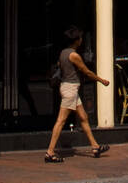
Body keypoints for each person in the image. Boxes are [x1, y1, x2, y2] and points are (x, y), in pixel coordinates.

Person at [45, 27, 110, 162]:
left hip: (69, 89)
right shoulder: (74, 55)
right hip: (70, 89)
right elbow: (86, 71)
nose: (81, 40)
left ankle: (95, 146)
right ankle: (50, 152)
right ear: (76, 40)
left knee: (83, 117)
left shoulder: (63, 53)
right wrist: (101, 80)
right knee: (61, 121)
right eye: (80, 38)